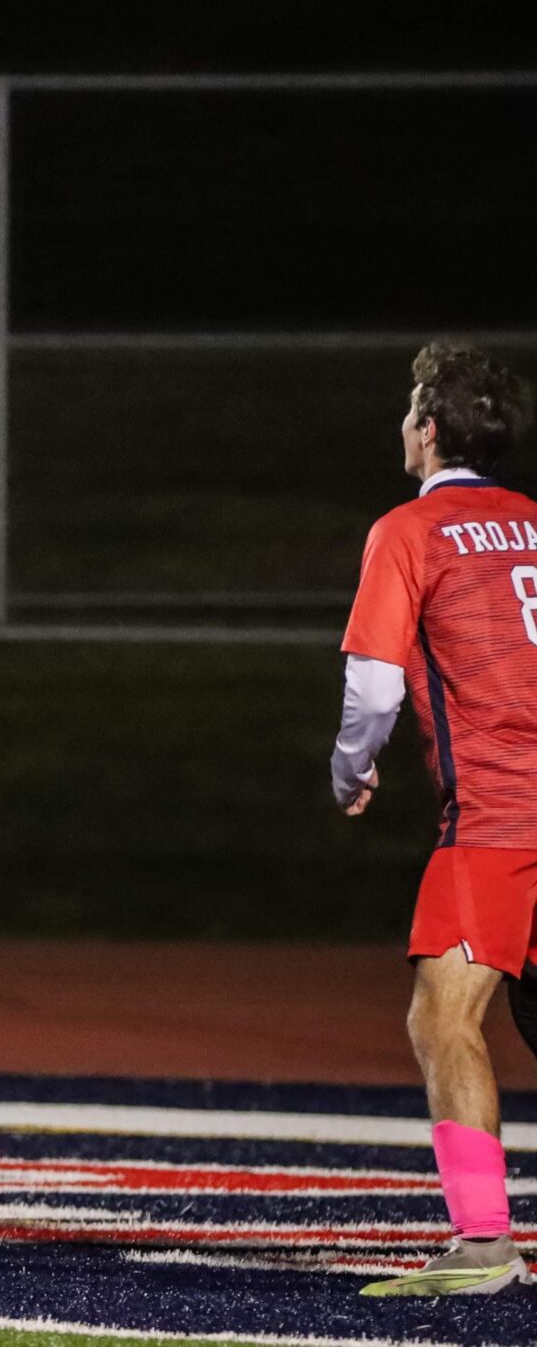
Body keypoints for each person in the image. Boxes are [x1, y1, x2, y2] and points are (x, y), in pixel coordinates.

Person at [331, 341, 537, 1298]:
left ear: (430, 429)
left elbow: (373, 685)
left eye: (412, 407)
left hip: (499, 815)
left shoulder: (410, 530)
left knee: (443, 1016)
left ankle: (485, 1240)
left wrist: (350, 766)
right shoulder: (535, 524)